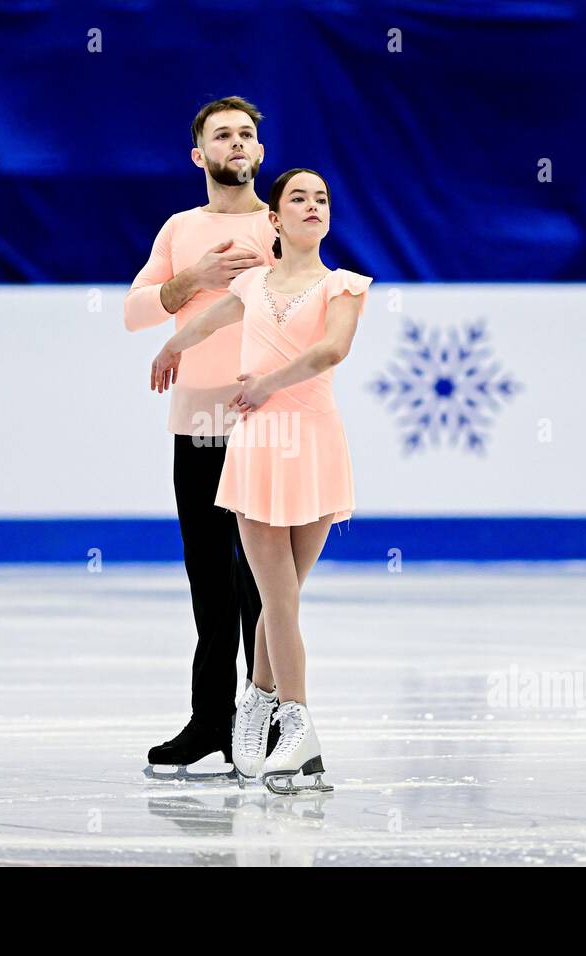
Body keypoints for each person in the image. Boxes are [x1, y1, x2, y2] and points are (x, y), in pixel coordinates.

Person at [151, 168, 372, 793]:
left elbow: (333, 352)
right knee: (278, 599)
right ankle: (295, 733)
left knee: (283, 598)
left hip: (312, 444)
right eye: (298, 198)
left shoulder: (345, 286)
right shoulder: (251, 284)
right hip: (254, 449)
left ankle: (261, 706)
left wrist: (269, 384)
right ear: (274, 219)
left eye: (322, 198)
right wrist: (170, 350)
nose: (313, 206)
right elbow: (207, 322)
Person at [125, 96, 279, 774]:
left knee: (264, 579)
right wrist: (189, 281)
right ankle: (210, 718)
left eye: (247, 134)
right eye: (224, 135)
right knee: (210, 576)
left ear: (261, 152)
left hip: (266, 419)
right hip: (198, 422)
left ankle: (267, 718)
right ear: (200, 155)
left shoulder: (283, 226)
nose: (237, 143)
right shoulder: (180, 229)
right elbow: (133, 312)